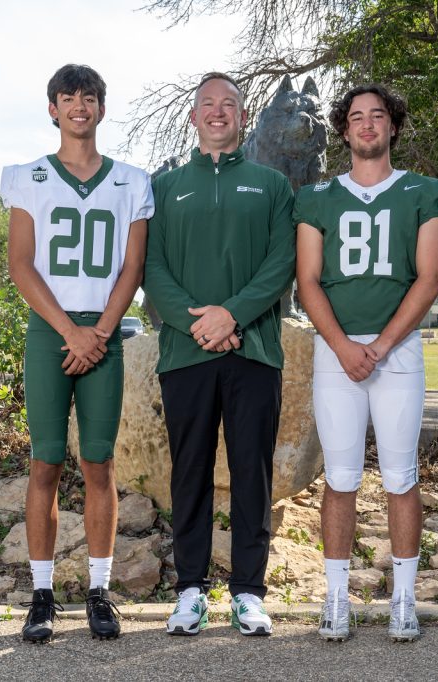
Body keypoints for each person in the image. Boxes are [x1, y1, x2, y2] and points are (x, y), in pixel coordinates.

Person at [293, 84, 438, 641]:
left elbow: (429, 278)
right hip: (336, 349)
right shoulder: (317, 198)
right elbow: (307, 280)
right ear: (344, 129)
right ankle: (336, 599)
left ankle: (402, 600)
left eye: (376, 116)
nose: (366, 125)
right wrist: (342, 346)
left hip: (398, 351)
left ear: (392, 126)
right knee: (338, 479)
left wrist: (380, 346)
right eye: (356, 117)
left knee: (400, 476)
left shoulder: (425, 193)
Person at [1, 64, 152, 643]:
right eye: (68, 98)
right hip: (50, 330)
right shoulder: (28, 177)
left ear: (101, 109)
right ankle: (41, 595)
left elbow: (133, 267)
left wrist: (100, 333)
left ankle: (98, 590)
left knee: (99, 463)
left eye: (88, 98)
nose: (79, 106)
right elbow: (20, 264)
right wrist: (71, 332)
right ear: (53, 109)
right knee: (45, 461)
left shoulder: (132, 181)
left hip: (105, 332)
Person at [144, 72, 295, 637]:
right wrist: (197, 323)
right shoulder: (164, 188)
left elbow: (282, 263)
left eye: (227, 104)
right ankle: (189, 591)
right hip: (185, 355)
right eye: (207, 104)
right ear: (194, 117)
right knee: (190, 474)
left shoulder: (271, 184)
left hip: (254, 350)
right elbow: (151, 267)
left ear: (242, 115)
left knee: (252, 474)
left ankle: (249, 593)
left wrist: (231, 315)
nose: (217, 112)